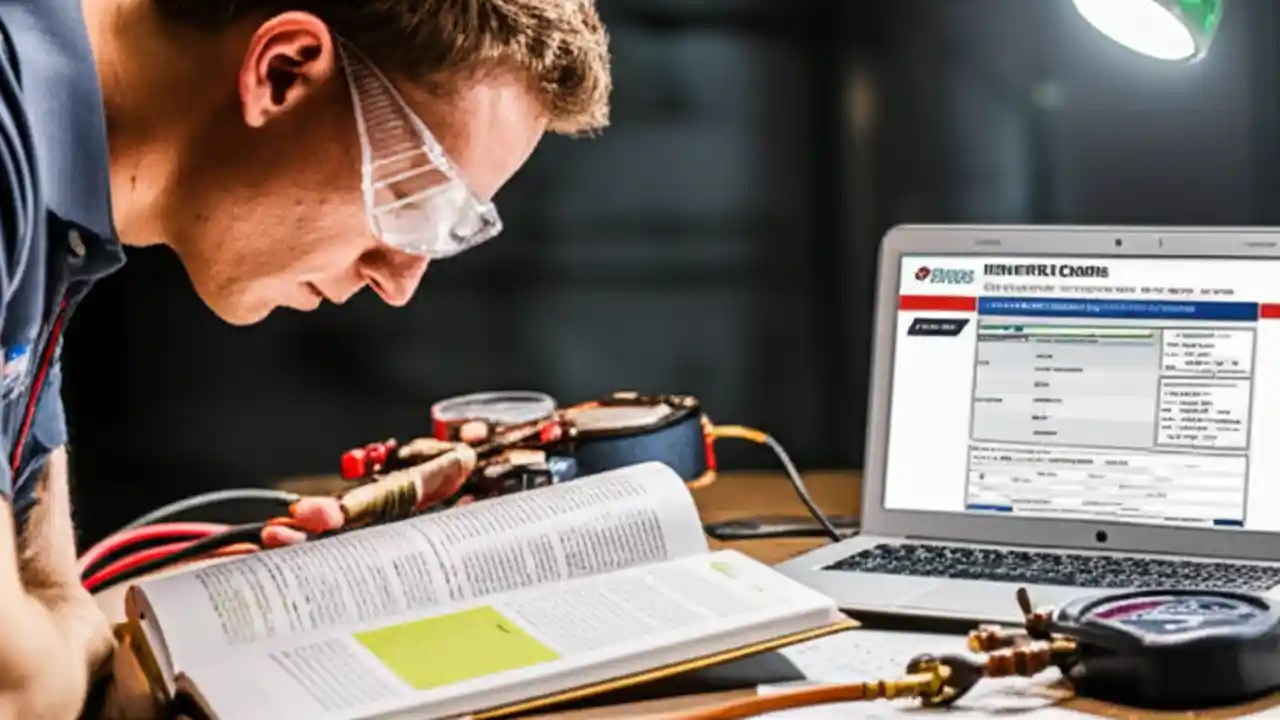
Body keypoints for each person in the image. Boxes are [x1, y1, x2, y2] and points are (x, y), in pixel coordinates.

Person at [0, 0, 611, 717]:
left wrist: (186, 618)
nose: (400, 282)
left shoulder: (50, 201)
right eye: (414, 201)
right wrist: (63, 653)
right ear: (282, 71)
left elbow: (47, 602)